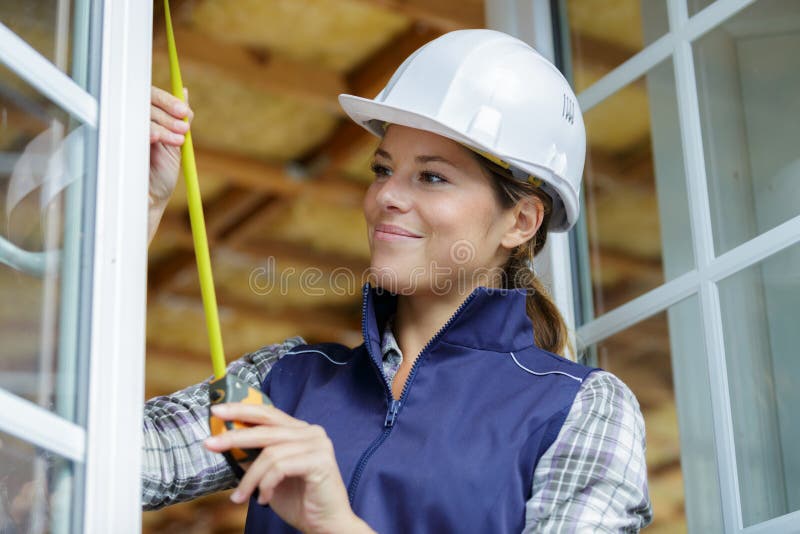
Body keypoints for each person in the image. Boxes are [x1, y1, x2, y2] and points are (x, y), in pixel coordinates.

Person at [143, 29, 653, 533]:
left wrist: (337, 525)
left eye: (432, 176)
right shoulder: (286, 380)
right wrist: (134, 212)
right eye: (383, 169)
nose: (386, 196)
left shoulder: (581, 409)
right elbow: (98, 455)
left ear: (520, 221)